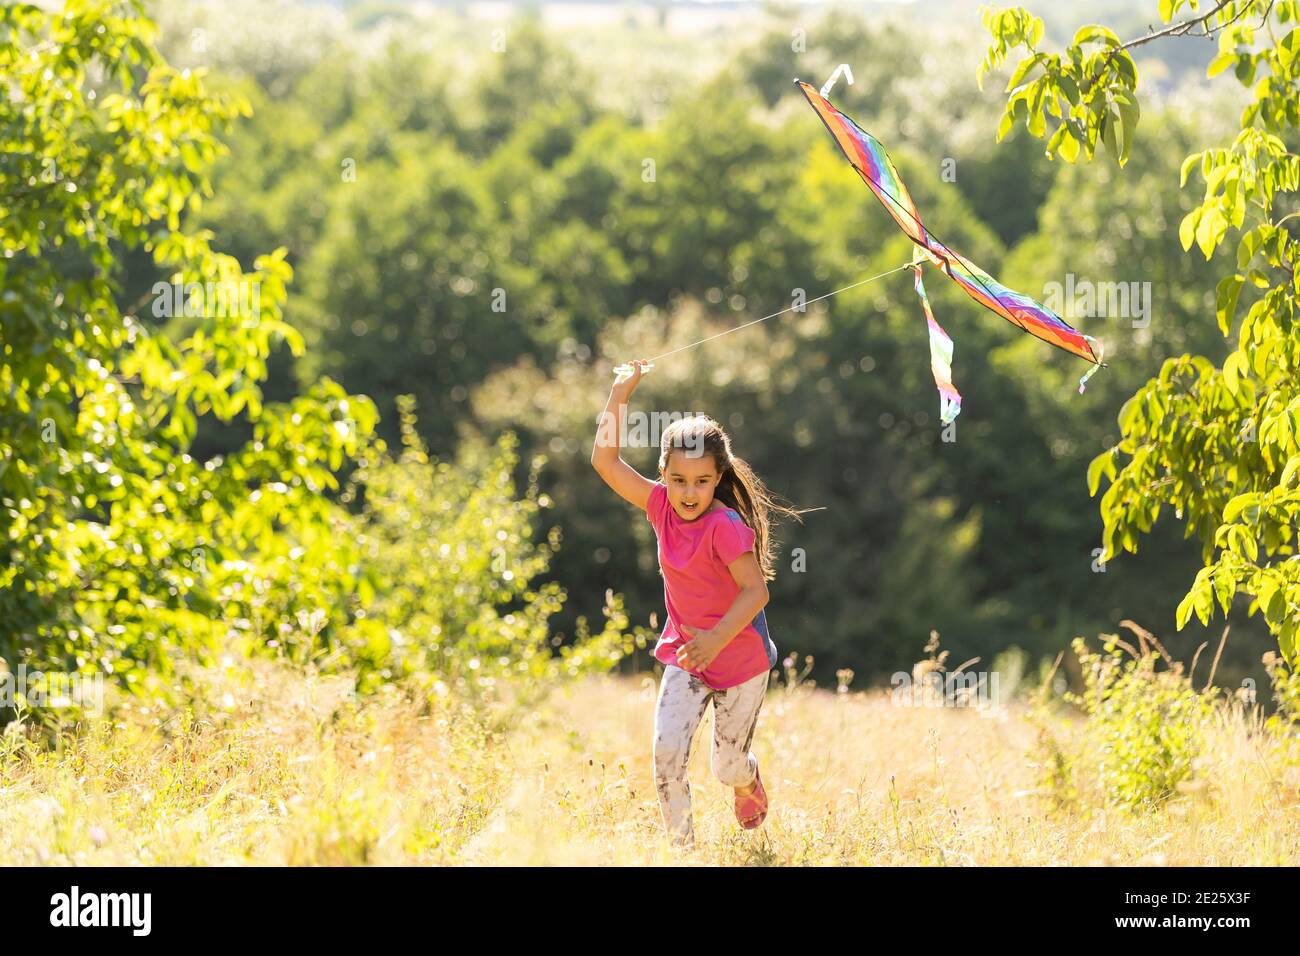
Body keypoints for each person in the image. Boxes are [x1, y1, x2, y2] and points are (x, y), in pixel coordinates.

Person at [590, 359, 807, 848]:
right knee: (666, 753)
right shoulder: (660, 506)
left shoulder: (725, 528)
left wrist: (714, 640)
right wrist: (620, 395)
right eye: (679, 480)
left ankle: (747, 780)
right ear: (663, 473)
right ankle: (682, 851)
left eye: (702, 481)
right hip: (687, 655)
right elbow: (604, 463)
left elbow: (757, 592)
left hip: (739, 661)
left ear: (718, 478)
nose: (689, 493)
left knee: (725, 766)